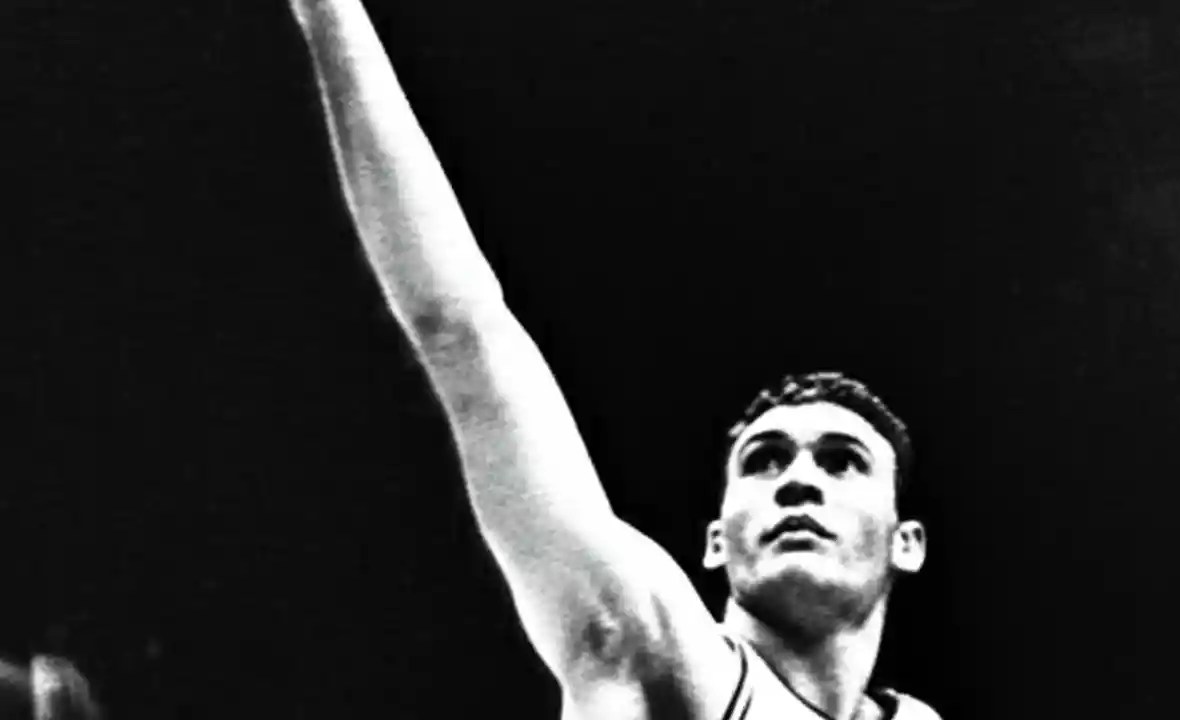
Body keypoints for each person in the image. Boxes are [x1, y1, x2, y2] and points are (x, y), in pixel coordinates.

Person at [287, 2, 941, 718]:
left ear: (906, 543)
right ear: (716, 542)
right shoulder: (651, 647)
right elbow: (460, 332)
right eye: (763, 460)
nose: (797, 482)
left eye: (842, 459)